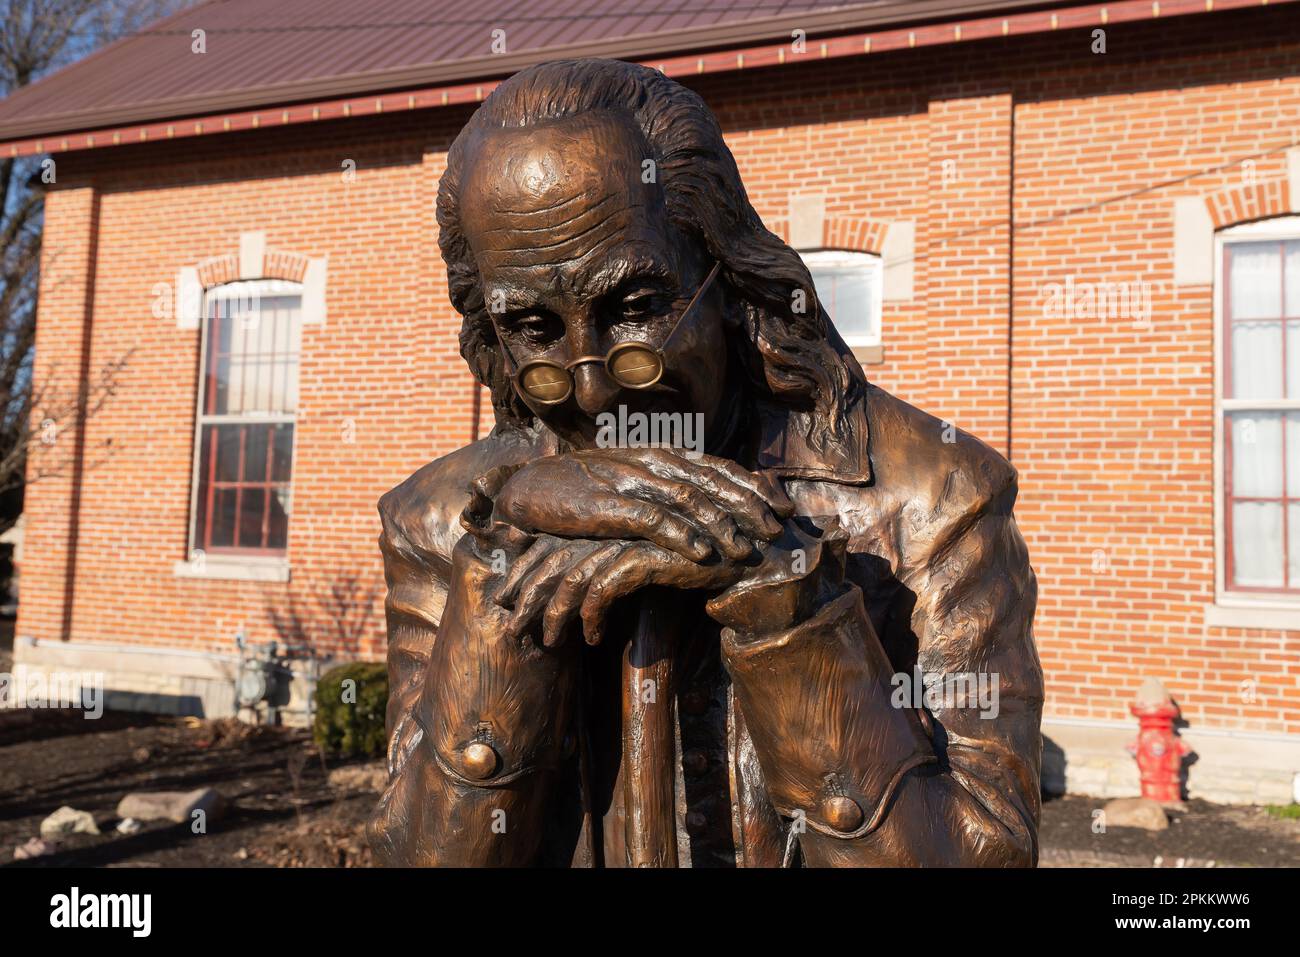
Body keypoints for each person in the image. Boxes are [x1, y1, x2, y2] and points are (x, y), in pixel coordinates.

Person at [367, 58, 1043, 867]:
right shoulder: (439, 524)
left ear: (725, 275)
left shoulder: (930, 499)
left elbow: (978, 860)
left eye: (636, 309)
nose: (593, 394)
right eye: (536, 330)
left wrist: (785, 600)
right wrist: (503, 592)